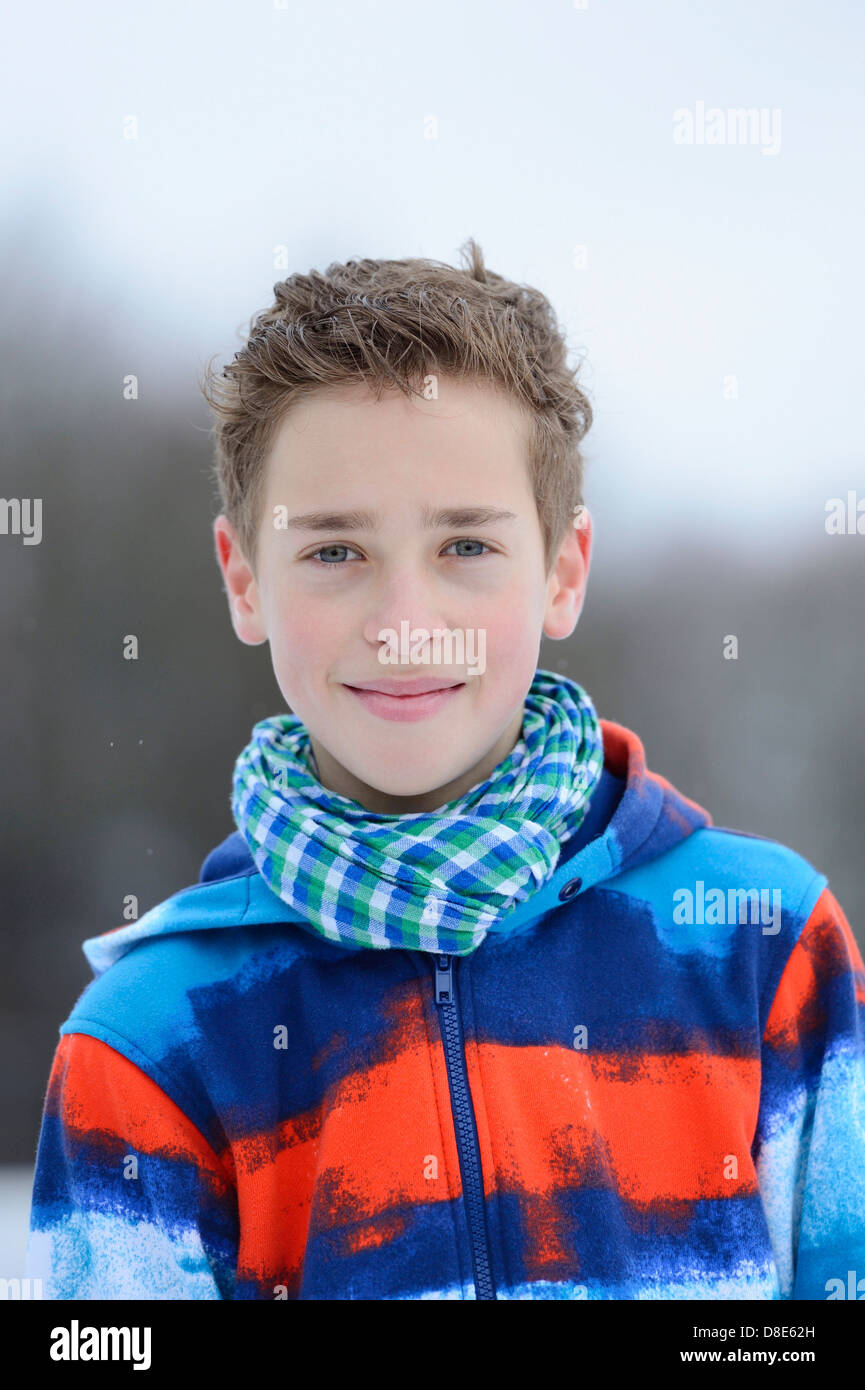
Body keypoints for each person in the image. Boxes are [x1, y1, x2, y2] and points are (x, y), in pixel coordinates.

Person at [27, 239, 865, 1300]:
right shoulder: (151, 1039)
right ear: (245, 581)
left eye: (466, 547)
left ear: (562, 572)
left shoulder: (761, 943)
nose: (405, 626)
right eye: (335, 550)